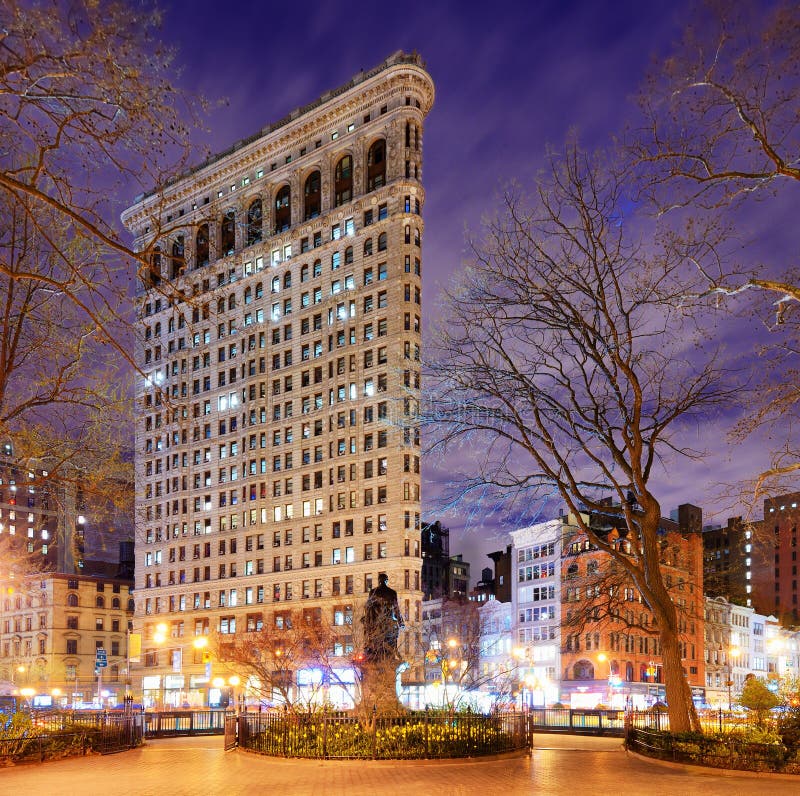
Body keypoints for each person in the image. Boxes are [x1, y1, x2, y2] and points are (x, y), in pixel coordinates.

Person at [362, 573, 405, 661]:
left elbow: (368, 606)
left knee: (369, 631)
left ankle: (369, 648)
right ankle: (392, 652)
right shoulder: (392, 592)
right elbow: (396, 608)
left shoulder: (373, 592)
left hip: (376, 620)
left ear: (378, 581)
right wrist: (401, 622)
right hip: (388, 618)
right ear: (386, 581)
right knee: (393, 635)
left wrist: (366, 617)